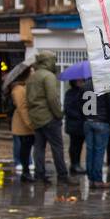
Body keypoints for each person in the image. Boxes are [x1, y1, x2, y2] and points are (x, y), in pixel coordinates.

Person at [23, 50, 75, 185]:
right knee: (57, 147)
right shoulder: (48, 76)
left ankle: (39, 175)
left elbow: (27, 99)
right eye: (53, 60)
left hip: (36, 117)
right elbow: (52, 98)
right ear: (48, 61)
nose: (55, 63)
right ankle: (63, 176)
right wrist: (59, 114)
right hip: (49, 118)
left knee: (39, 148)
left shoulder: (32, 78)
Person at [81, 78, 110, 183]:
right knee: (99, 151)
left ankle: (90, 177)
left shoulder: (85, 85)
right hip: (102, 121)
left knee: (90, 150)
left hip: (88, 121)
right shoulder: (105, 84)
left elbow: (79, 103)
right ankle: (97, 179)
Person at [8, 67, 35, 181]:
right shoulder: (18, 89)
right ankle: (23, 167)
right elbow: (22, 108)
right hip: (21, 123)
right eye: (32, 72)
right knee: (22, 145)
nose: (34, 74)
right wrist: (29, 123)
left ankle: (26, 166)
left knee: (26, 145)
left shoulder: (25, 87)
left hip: (26, 121)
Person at [63, 79, 86, 175]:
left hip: (81, 123)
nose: (80, 82)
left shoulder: (84, 92)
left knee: (79, 145)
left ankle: (76, 164)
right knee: (74, 145)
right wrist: (79, 115)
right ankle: (74, 164)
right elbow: (67, 108)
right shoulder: (70, 93)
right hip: (74, 123)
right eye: (78, 80)